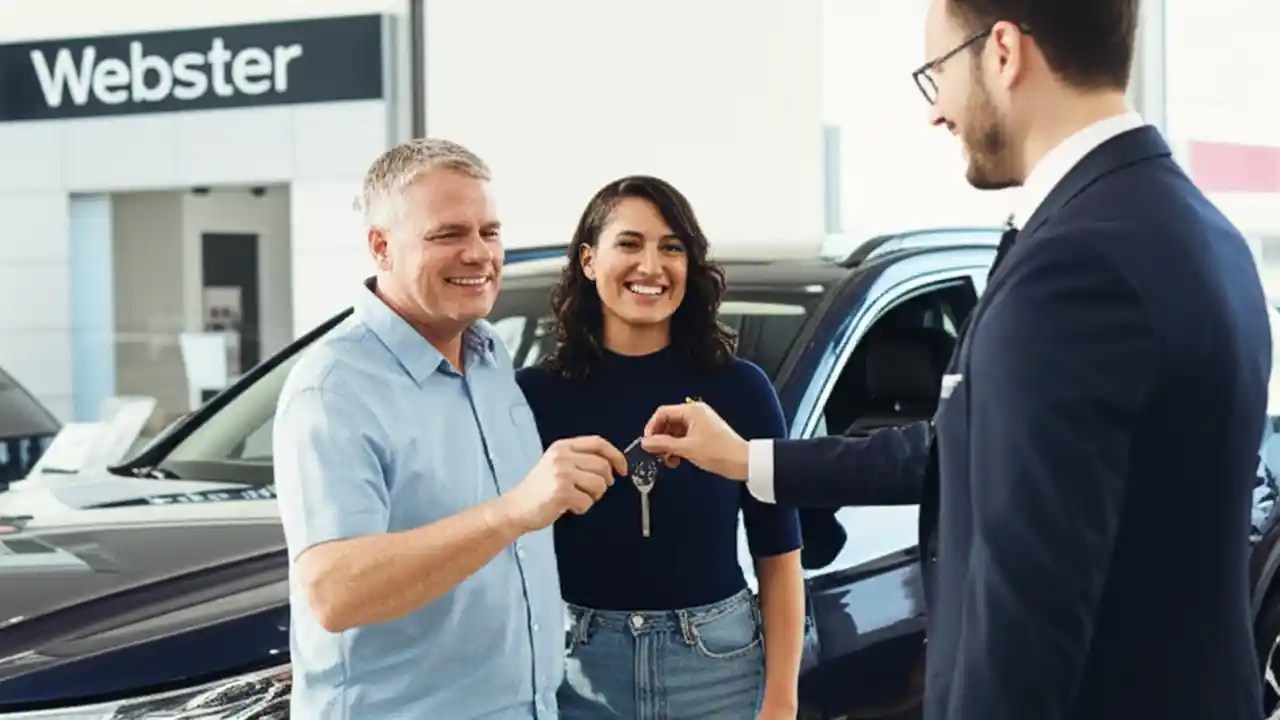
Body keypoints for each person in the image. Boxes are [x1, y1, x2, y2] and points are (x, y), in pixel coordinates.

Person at [640, 1, 1272, 719]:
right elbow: (962, 451)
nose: (935, 111)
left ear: (1002, 51)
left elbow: (1029, 612)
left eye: (935, 72)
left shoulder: (1074, 266)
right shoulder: (1203, 233)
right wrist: (752, 459)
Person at [272, 138, 628, 719]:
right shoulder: (334, 389)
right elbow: (335, 593)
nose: (479, 254)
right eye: (448, 234)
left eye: (489, 232)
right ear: (380, 246)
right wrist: (516, 511)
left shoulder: (489, 357)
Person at [515, 175, 806, 719]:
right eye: (629, 243)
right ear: (588, 259)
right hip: (579, 674)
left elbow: (780, 557)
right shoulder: (535, 396)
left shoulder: (738, 389)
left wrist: (781, 701)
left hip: (718, 668)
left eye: (672, 247)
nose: (652, 266)